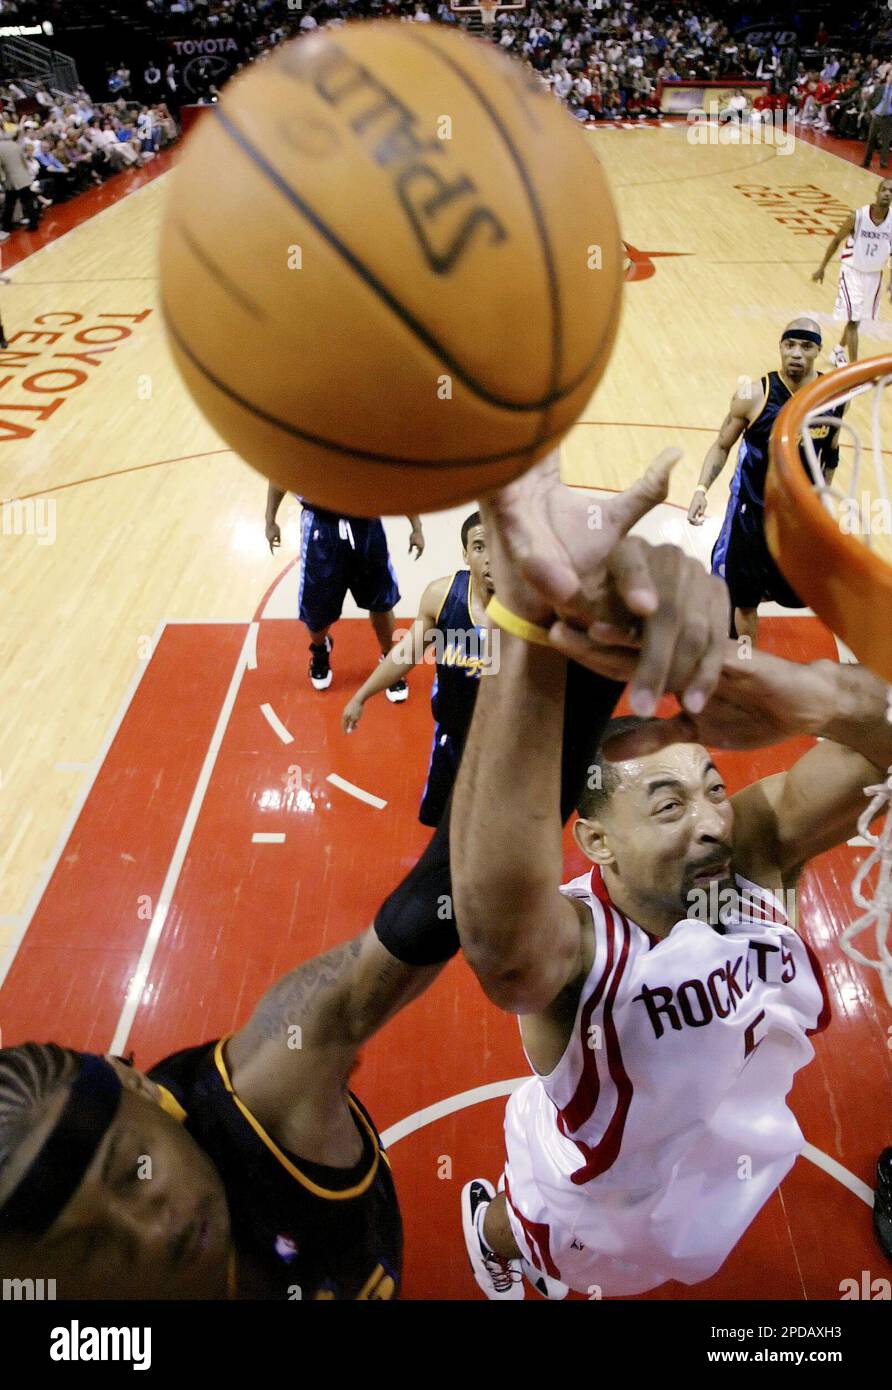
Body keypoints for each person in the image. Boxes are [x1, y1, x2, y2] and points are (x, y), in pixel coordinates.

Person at [0, 456, 730, 1299]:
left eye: (132, 1172)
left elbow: (435, 905)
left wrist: (576, 651)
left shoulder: (265, 1093)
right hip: (473, 750)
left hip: (492, 759)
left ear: (143, 1092)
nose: (153, 1231)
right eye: (86, 1255)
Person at [452, 484, 892, 1298]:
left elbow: (880, 753)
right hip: (585, 1195)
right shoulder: (576, 946)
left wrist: (824, 696)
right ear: (596, 843)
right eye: (667, 803)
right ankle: (490, 1236)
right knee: (527, 1224)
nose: (712, 823)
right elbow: (496, 938)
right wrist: (530, 631)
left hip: (721, 1177)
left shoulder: (752, 863)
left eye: (715, 789)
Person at [687, 320, 843, 645]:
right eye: (790, 345)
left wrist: (823, 500)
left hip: (796, 515)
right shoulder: (754, 395)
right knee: (743, 598)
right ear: (781, 347)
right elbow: (721, 444)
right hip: (751, 510)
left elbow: (831, 452)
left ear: (818, 351)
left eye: (806, 346)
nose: (796, 354)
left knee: (795, 593)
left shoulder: (834, 398)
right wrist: (701, 489)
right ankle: (746, 661)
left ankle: (753, 589)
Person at [342, 512, 492, 827]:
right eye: (480, 547)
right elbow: (406, 654)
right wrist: (361, 695)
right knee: (440, 820)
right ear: (465, 553)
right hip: (452, 735)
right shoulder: (442, 596)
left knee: (494, 825)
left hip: (507, 742)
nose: (491, 557)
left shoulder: (533, 608)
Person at [265, 484, 424, 693]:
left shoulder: (371, 452)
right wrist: (270, 521)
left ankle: (389, 661)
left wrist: (416, 527)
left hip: (366, 526)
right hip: (320, 528)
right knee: (316, 611)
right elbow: (279, 475)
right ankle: (320, 650)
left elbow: (394, 480)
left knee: (382, 602)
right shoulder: (302, 452)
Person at [813, 178, 892, 365]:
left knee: (856, 320)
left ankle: (838, 351)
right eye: (884, 190)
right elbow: (836, 241)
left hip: (874, 275)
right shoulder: (857, 216)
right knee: (854, 319)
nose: (887, 193)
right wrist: (822, 268)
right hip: (852, 271)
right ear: (877, 192)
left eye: (891, 191)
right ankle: (853, 367)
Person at [0, 133, 39, 237]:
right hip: (23, 177)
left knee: (9, 204)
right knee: (28, 201)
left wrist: (3, 181)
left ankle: (6, 226)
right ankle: (33, 223)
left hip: (12, 180)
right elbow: (24, 162)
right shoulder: (15, 145)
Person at [861, 76, 892, 170]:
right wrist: (871, 111)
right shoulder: (880, 88)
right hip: (877, 116)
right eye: (890, 76)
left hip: (888, 118)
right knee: (871, 139)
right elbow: (869, 100)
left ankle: (883, 163)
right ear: (887, 78)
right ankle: (866, 161)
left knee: (886, 141)